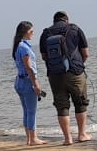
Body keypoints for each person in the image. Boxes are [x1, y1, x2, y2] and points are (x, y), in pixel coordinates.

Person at [37, 10, 92, 144]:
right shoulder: (75, 29)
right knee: (80, 103)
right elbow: (85, 53)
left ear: (54, 20)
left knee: (62, 106)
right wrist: (78, 65)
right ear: (67, 19)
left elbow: (44, 57)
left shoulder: (45, 33)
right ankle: (82, 135)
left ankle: (67, 139)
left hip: (55, 75)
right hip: (75, 72)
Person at [11, 21, 47, 146]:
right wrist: (36, 84)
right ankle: (33, 138)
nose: (33, 34)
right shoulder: (24, 48)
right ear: (25, 32)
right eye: (31, 31)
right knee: (31, 111)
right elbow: (29, 68)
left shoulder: (17, 46)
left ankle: (29, 138)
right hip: (26, 82)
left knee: (26, 111)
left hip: (19, 81)